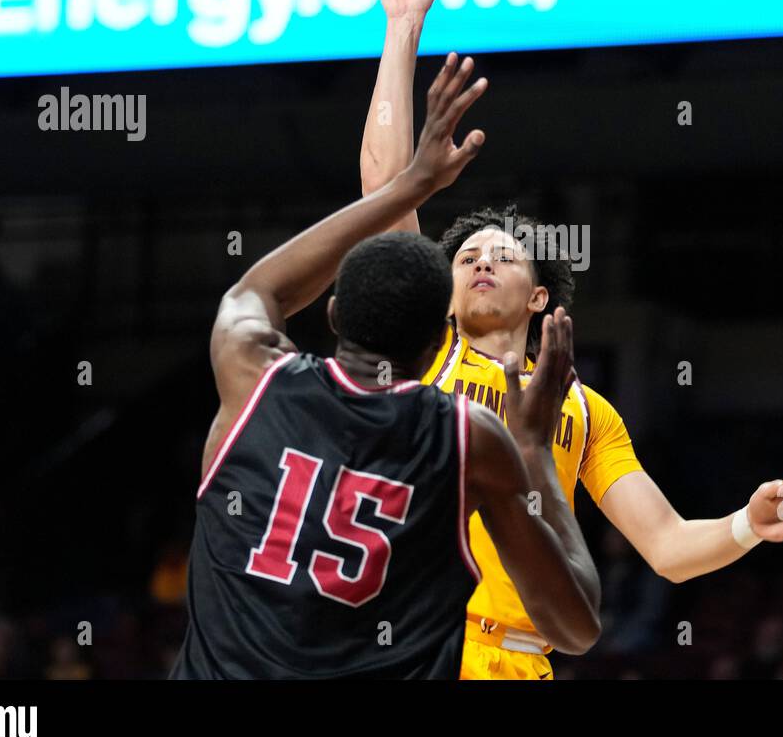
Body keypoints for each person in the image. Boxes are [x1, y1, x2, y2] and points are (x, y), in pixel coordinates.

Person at [357, 0, 783, 679]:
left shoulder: (587, 414)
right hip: (415, 648)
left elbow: (671, 547)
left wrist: (747, 525)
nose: (480, 262)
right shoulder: (429, 352)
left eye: (501, 256)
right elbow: (383, 191)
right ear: (445, 295)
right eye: (464, 259)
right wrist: (402, 27)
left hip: (521, 663)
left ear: (538, 298)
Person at [170, 56, 599, 679]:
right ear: (437, 346)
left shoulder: (251, 375)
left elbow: (262, 289)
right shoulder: (469, 437)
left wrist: (412, 184)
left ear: (337, 313)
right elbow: (577, 627)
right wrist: (533, 448)